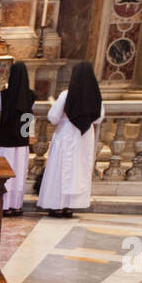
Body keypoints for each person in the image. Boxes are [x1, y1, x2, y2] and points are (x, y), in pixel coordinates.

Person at [38, 61, 104, 218]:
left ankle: (57, 206)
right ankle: (69, 206)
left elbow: (53, 117)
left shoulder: (66, 95)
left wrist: (56, 108)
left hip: (66, 134)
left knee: (60, 169)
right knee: (78, 170)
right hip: (84, 136)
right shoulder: (96, 96)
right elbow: (99, 118)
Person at [0, 61, 34, 216]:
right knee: (19, 174)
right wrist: (26, 135)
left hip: (5, 139)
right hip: (22, 141)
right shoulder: (31, 95)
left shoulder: (3, 95)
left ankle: (4, 205)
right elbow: (29, 117)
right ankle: (16, 205)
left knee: (4, 174)